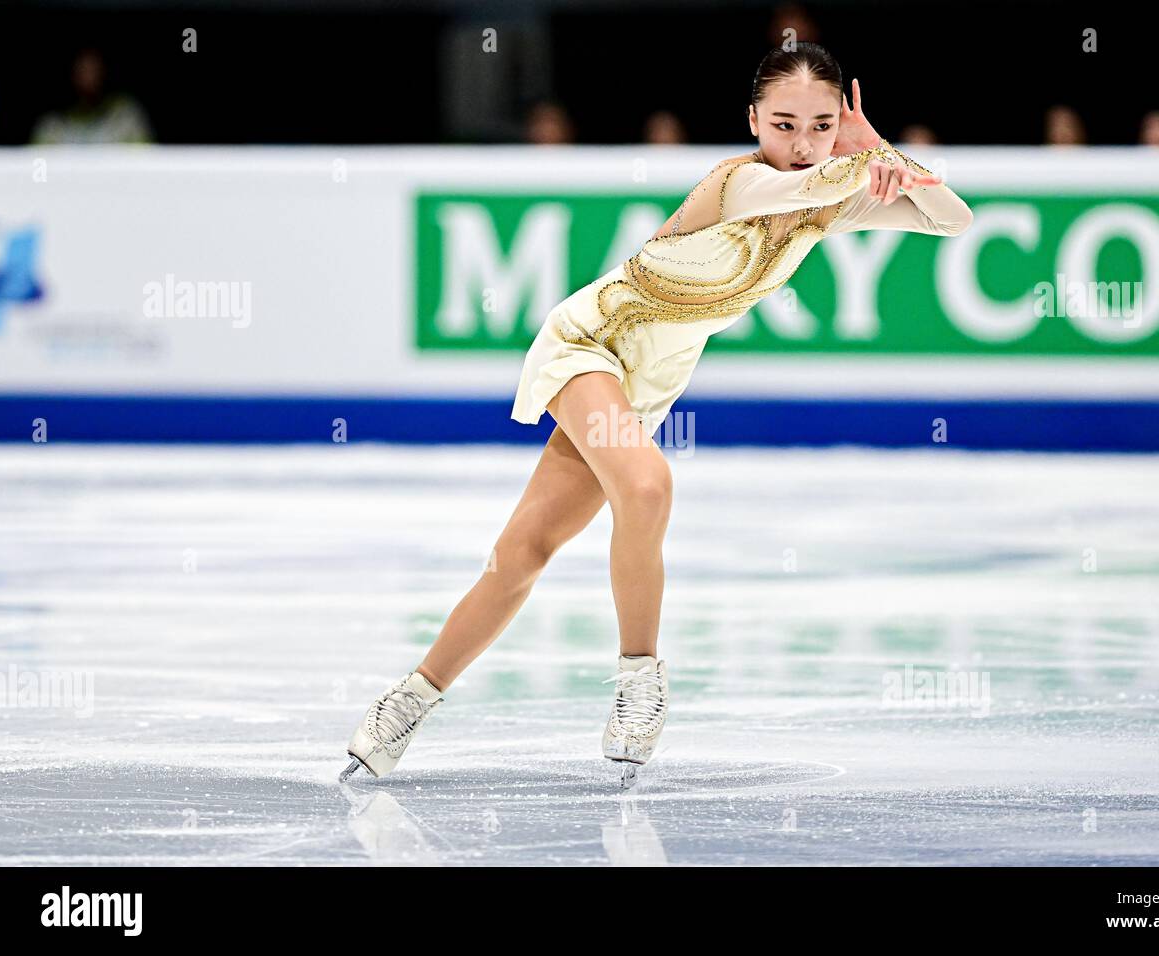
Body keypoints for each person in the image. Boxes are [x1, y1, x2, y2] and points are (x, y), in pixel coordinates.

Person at [343, 41, 973, 787]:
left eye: (820, 124)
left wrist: (883, 150)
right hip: (591, 340)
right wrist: (862, 161)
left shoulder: (823, 206)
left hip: (646, 383)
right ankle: (641, 680)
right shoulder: (740, 183)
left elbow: (950, 220)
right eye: (783, 124)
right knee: (646, 487)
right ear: (751, 120)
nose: (801, 145)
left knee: (523, 555)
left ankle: (407, 702)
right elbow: (806, 187)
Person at [30, 48, 153, 146]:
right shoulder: (51, 128)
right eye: (83, 70)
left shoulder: (126, 117)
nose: (89, 78)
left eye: (95, 70)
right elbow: (38, 173)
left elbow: (144, 166)